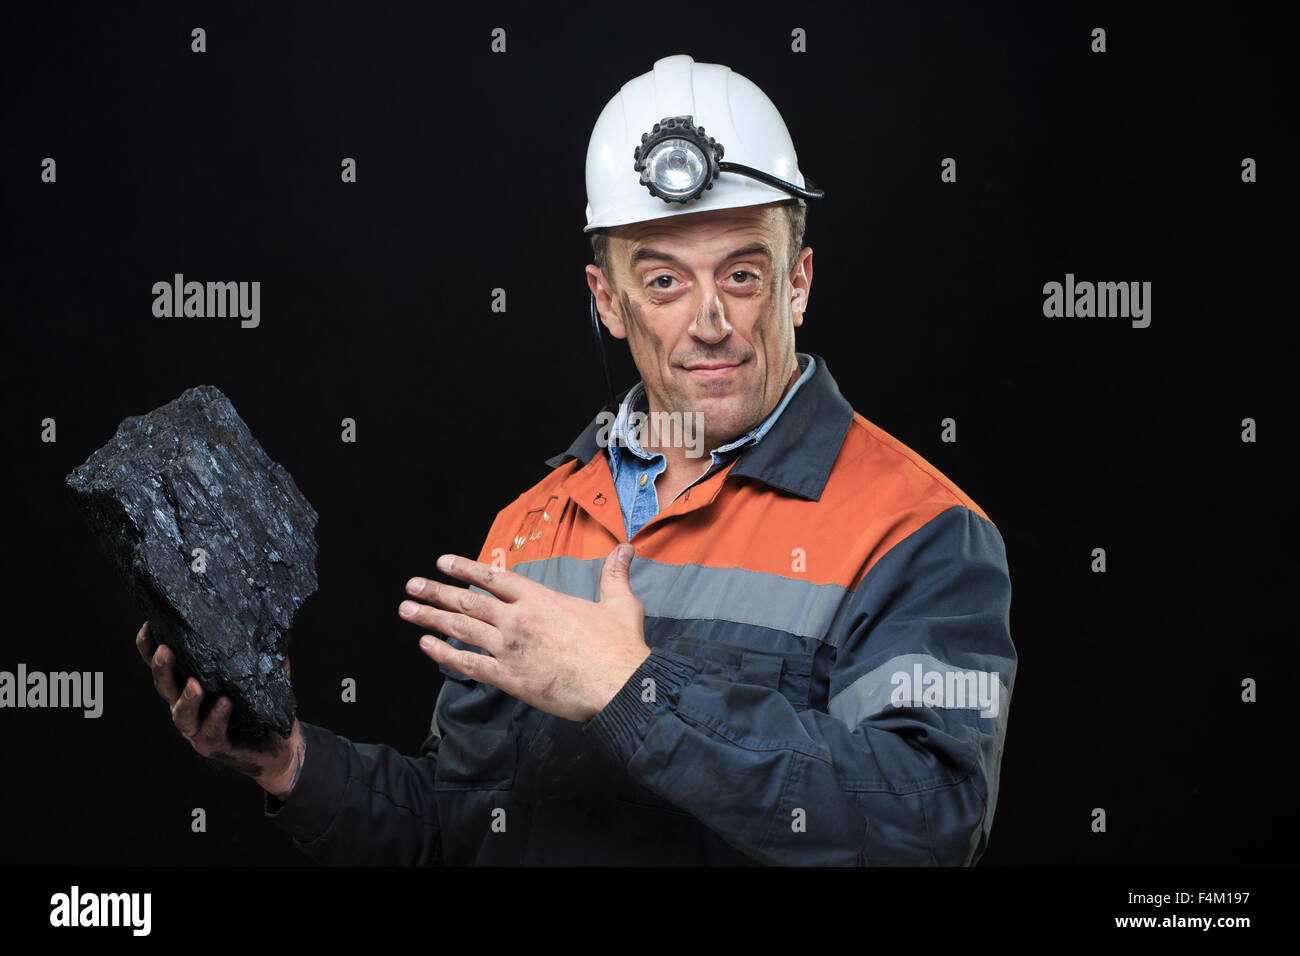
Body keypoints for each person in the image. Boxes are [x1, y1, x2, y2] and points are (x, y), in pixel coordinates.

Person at [136, 54, 1016, 865]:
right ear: (609, 300)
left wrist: (632, 692)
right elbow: (461, 829)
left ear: (798, 284)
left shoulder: (920, 531)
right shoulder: (531, 528)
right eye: (665, 280)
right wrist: (288, 762)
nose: (710, 320)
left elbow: (930, 820)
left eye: (743, 275)